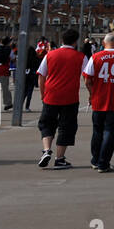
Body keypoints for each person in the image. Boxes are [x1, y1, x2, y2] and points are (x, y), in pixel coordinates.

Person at [84, 33, 114, 172]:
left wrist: (91, 93)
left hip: (98, 99)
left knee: (97, 130)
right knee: (109, 131)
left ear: (104, 43)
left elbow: (87, 80)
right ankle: (103, 162)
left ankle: (95, 159)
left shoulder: (95, 57)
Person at [36, 30, 84, 170]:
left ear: (62, 40)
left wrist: (43, 93)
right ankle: (60, 158)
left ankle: (46, 150)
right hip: (70, 97)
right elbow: (88, 76)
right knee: (66, 127)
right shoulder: (80, 56)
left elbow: (41, 75)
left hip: (51, 95)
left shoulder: (50, 55)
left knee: (46, 123)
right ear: (75, 42)